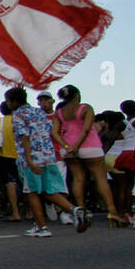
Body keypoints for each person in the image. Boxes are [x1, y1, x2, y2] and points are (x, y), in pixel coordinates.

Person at [7, 87, 81, 236]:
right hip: (48, 155)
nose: (7, 104)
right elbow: (50, 130)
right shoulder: (39, 111)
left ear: (14, 101)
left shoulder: (18, 115)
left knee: (33, 192)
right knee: (48, 190)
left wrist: (29, 160)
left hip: (31, 158)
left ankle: (42, 227)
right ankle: (74, 210)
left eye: (8, 101)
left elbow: (25, 137)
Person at [52, 84, 123, 227]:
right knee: (101, 179)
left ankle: (81, 211)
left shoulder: (59, 112)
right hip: (90, 147)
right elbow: (86, 130)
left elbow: (54, 132)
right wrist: (77, 146)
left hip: (68, 148)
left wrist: (68, 147)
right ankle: (112, 211)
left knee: (78, 180)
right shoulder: (85, 108)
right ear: (77, 95)